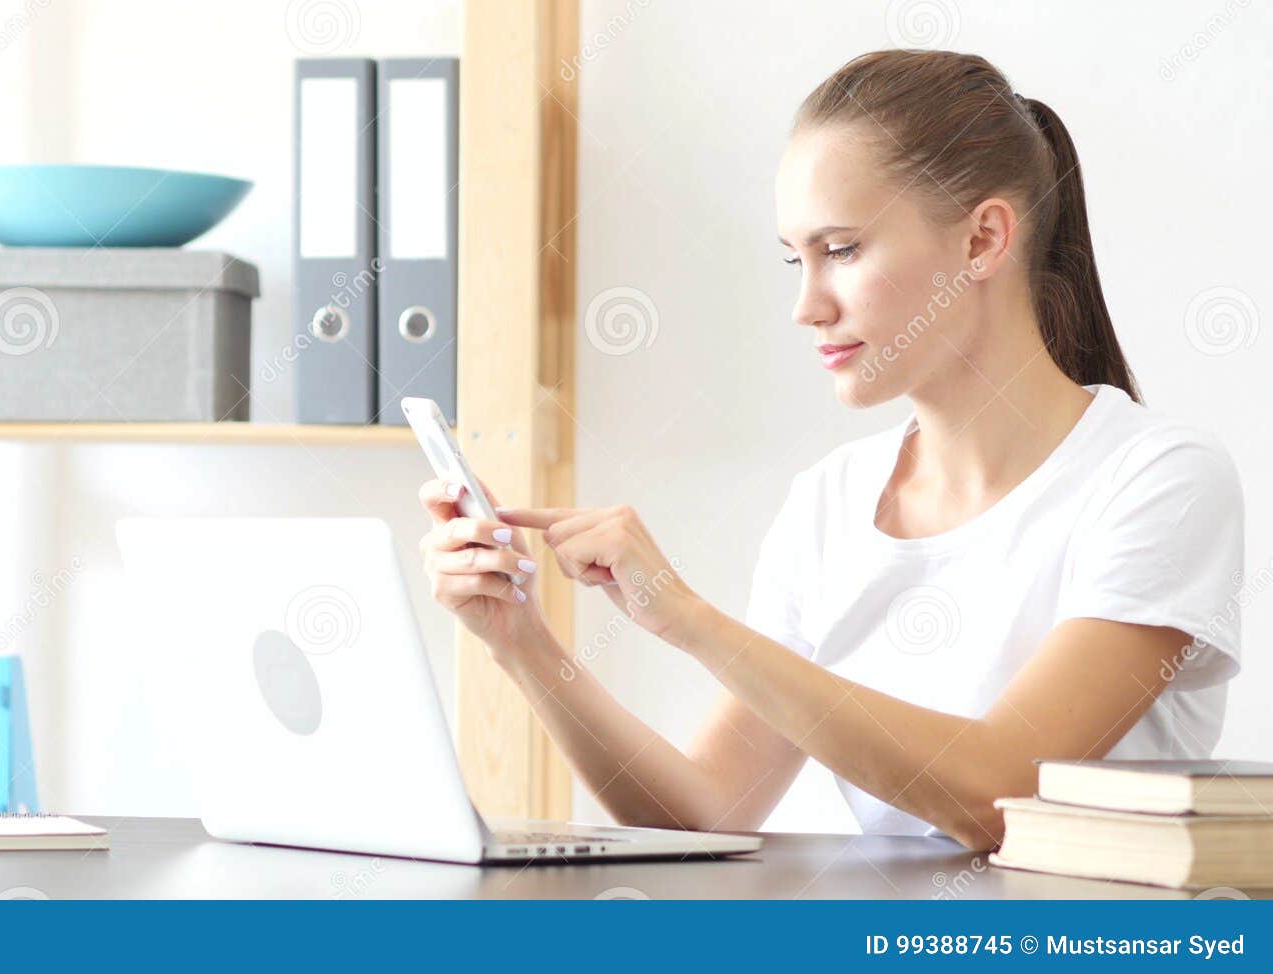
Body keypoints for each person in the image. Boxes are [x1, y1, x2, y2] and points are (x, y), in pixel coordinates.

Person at [415, 50, 1244, 850]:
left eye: (841, 251)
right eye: (794, 260)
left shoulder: (1158, 481)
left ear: (984, 240)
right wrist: (521, 642)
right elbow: (704, 816)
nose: (805, 306)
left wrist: (688, 619)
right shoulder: (832, 500)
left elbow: (999, 796)